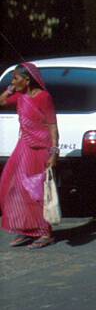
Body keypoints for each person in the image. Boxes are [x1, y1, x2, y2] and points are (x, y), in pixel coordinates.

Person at [0, 63, 59, 248]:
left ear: (27, 80)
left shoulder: (44, 97)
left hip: (41, 148)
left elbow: (52, 125)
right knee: (11, 185)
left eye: (16, 78)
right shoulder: (20, 96)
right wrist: (11, 88)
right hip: (24, 146)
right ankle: (27, 230)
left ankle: (44, 233)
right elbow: (1, 101)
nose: (13, 81)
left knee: (37, 191)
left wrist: (54, 152)